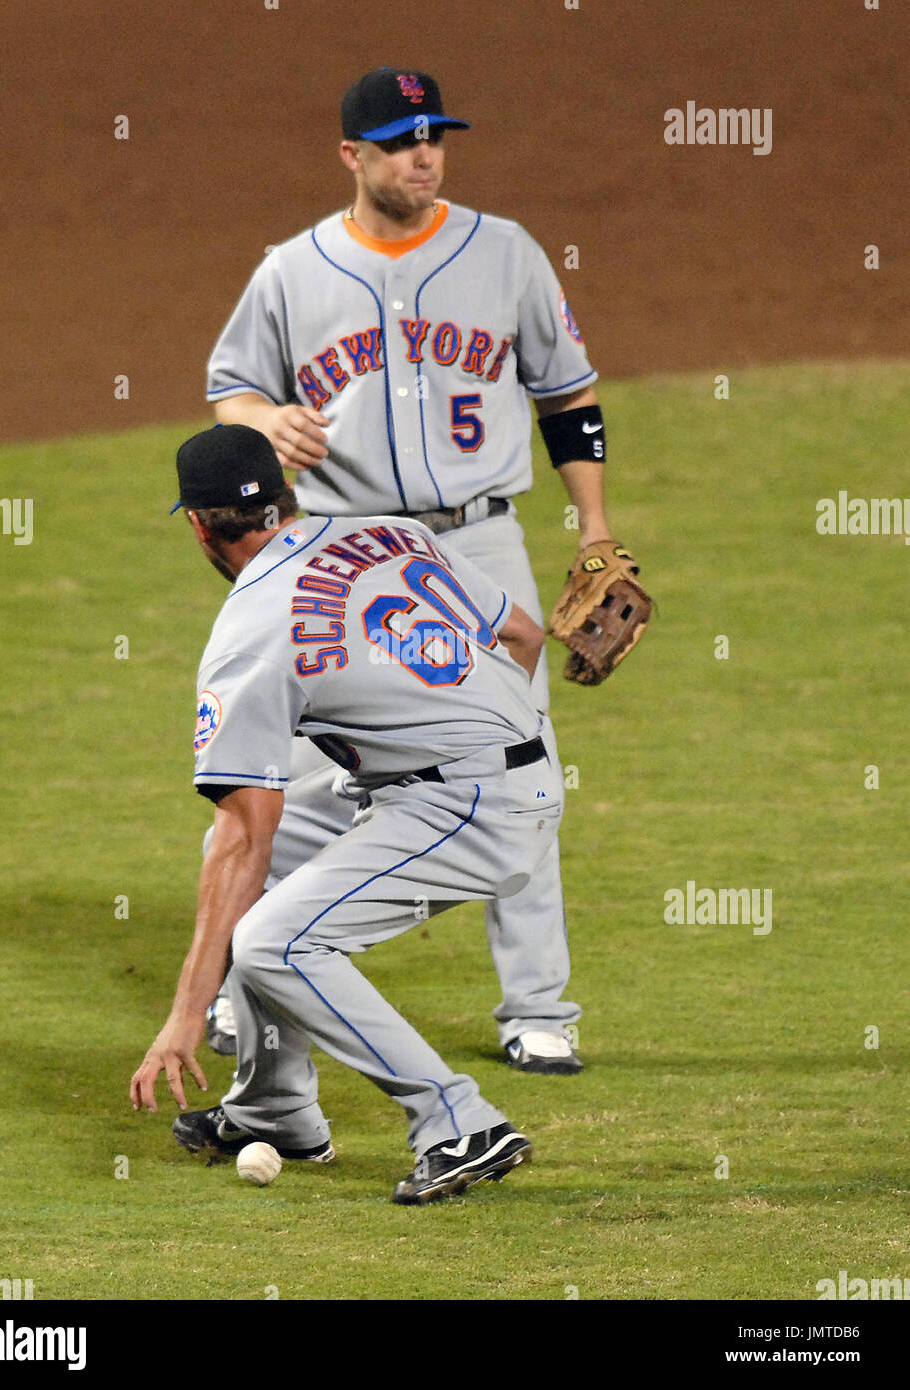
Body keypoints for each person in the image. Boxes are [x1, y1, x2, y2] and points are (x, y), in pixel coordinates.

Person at [204, 66, 617, 1073]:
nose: (422, 155)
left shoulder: (507, 252)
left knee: (519, 766)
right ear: (351, 156)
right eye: (396, 141)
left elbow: (569, 398)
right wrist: (271, 419)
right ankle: (241, 983)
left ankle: (537, 1007)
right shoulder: (292, 271)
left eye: (433, 135)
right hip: (345, 549)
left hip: (480, 539)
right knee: (301, 776)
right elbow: (230, 392)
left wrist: (594, 526)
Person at [130, 424, 564, 1204]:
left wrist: (184, 1015)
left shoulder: (251, 632)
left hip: (463, 804)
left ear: (197, 524)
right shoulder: (389, 533)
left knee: (272, 938)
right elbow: (522, 635)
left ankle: (458, 1121)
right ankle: (277, 1110)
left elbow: (242, 838)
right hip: (509, 770)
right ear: (286, 493)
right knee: (287, 858)